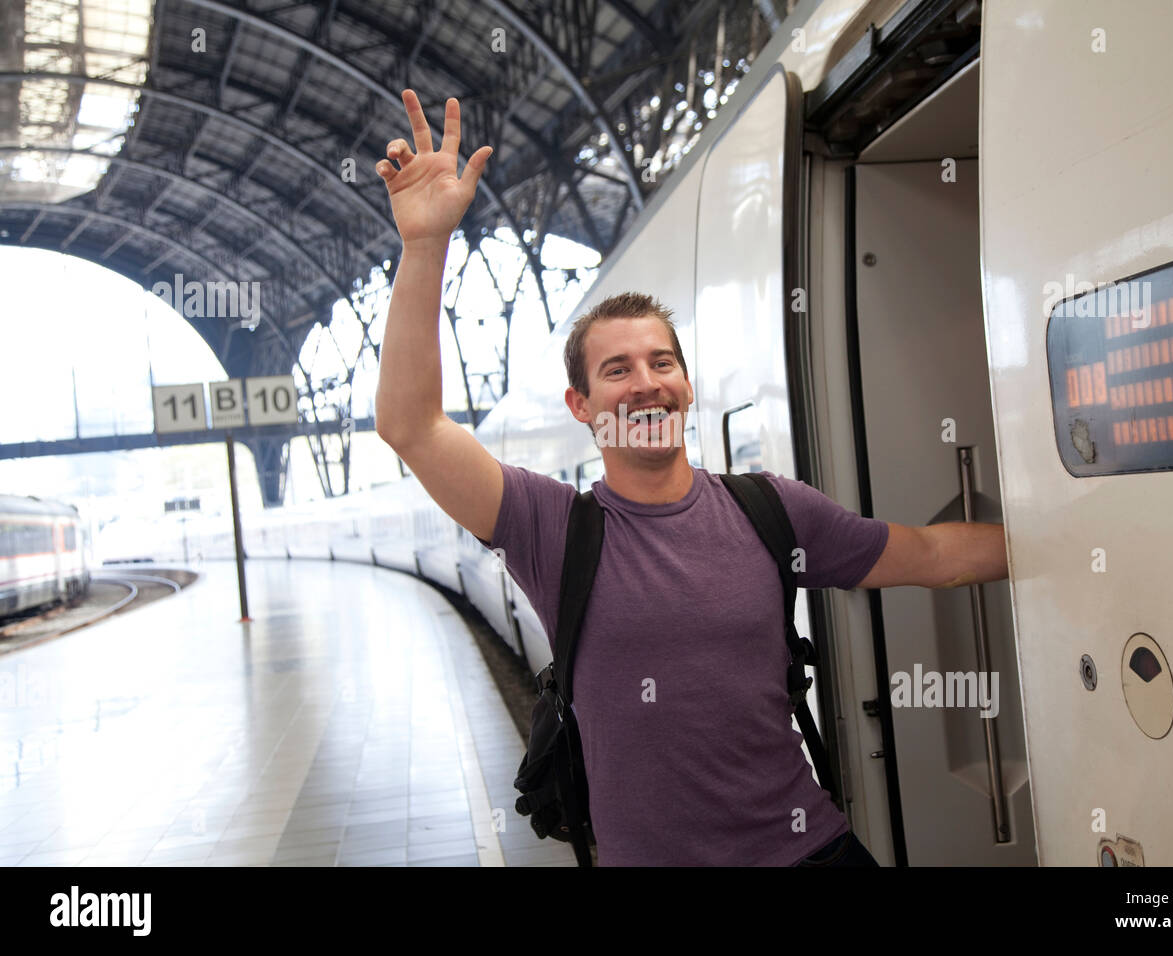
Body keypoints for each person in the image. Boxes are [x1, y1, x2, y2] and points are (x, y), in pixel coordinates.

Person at [373, 91, 1009, 866]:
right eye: (617, 370)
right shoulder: (552, 528)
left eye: (661, 362)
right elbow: (411, 425)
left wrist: (1093, 531)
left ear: (687, 384)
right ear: (581, 404)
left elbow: (935, 556)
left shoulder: (771, 510)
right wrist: (425, 247)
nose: (645, 383)